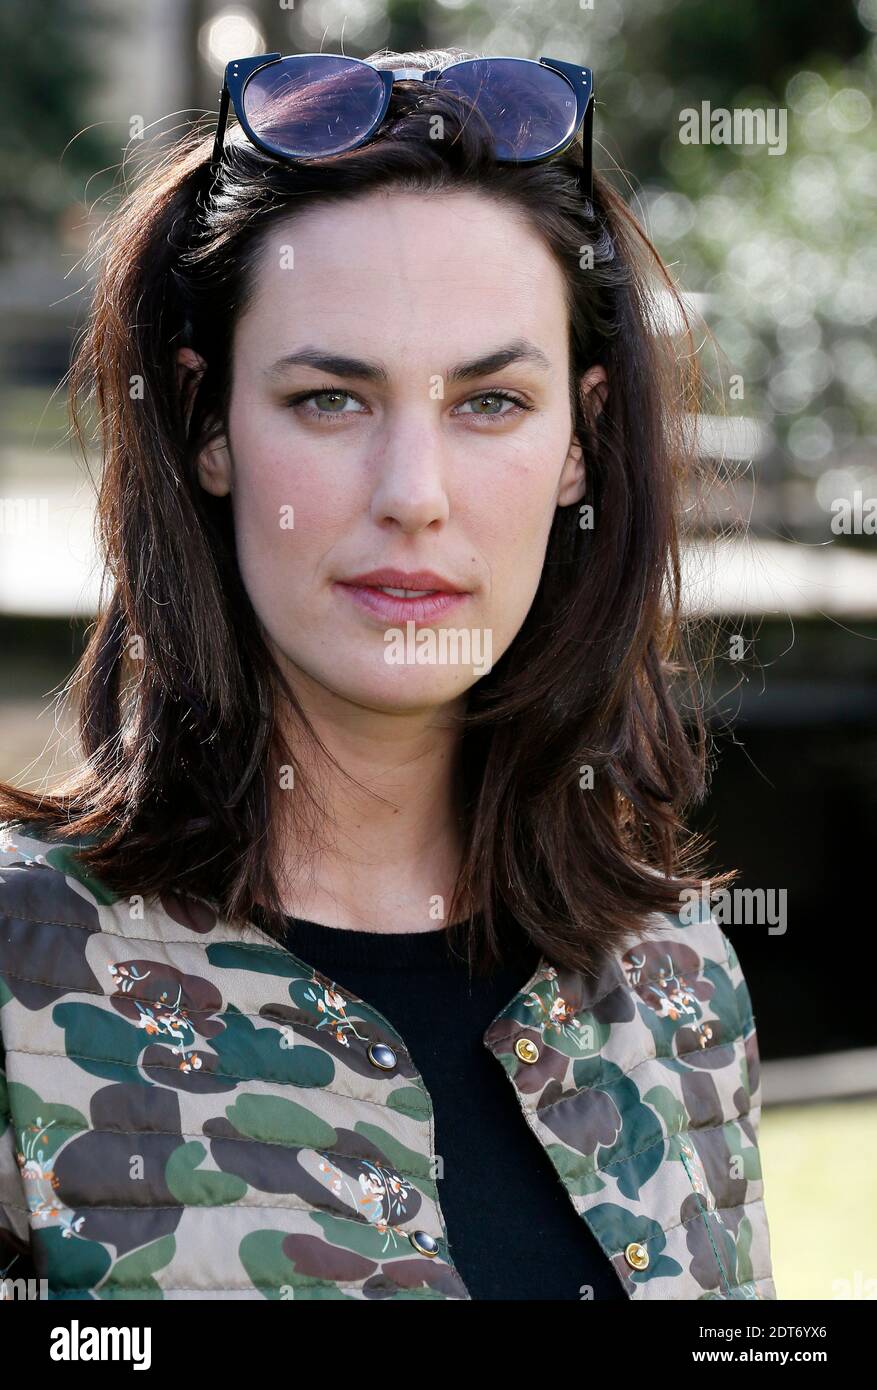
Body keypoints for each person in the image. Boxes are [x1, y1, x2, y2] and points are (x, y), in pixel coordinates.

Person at [0, 46, 774, 1301]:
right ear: (208, 426)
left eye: (489, 403)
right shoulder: (18, 976)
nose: (413, 495)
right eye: (329, 399)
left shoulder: (676, 976)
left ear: (578, 442)